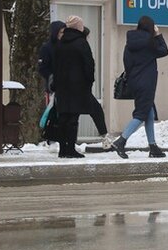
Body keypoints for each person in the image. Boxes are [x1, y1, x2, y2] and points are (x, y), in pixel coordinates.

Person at [39, 21, 113, 149]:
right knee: (63, 116)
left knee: (74, 115)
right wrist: (53, 79)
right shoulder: (52, 47)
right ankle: (58, 142)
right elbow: (44, 67)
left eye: (64, 31)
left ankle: (67, 146)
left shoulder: (66, 45)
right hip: (64, 86)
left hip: (70, 86)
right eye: (61, 32)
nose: (62, 34)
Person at [111, 16, 168, 159]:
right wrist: (158, 35)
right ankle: (121, 141)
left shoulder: (129, 43)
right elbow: (164, 51)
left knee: (148, 112)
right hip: (146, 83)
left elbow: (127, 63)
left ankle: (153, 146)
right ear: (151, 28)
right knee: (141, 114)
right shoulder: (150, 43)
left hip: (134, 82)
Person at [52, 15, 95, 158]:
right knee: (73, 118)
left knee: (63, 117)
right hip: (78, 85)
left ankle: (62, 149)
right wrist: (89, 81)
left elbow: (55, 65)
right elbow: (89, 64)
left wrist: (55, 83)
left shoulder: (60, 43)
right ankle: (70, 148)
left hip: (62, 86)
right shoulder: (81, 43)